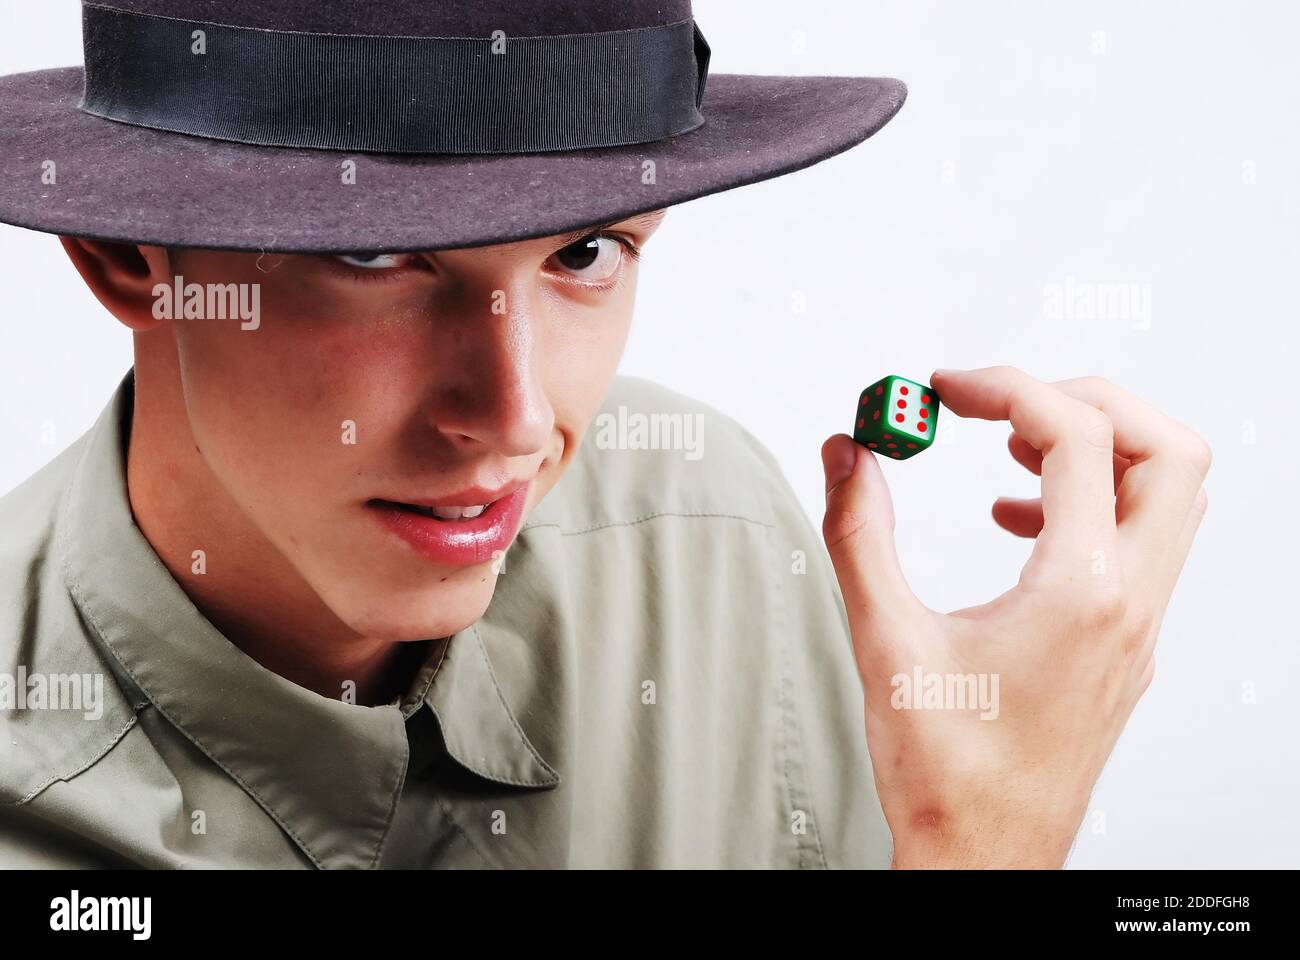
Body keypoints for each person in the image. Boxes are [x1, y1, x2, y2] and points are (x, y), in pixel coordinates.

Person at [0, 0, 1210, 869]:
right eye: (369, 257)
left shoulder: (717, 532)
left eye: (585, 252)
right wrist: (984, 845)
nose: (519, 420)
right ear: (125, 255)